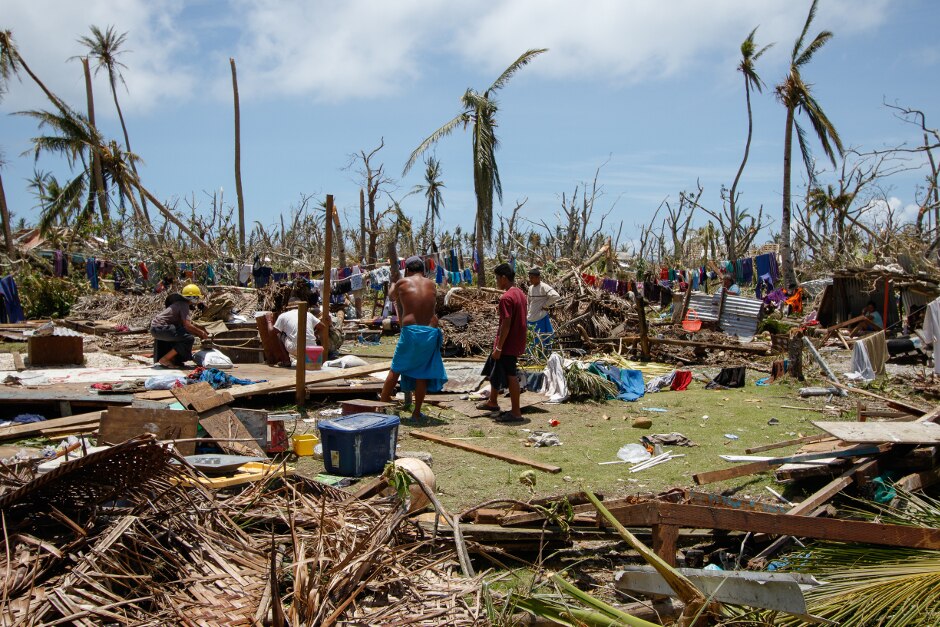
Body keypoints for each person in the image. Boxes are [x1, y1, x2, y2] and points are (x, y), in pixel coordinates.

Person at [380, 256, 448, 420]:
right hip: (430, 330)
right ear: (423, 271)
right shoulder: (431, 283)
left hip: (411, 331)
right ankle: (416, 413)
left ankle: (380, 404)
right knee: (421, 372)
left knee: (396, 368)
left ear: (408, 270)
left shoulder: (402, 282)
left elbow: (391, 297)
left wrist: (393, 283)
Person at [477, 263, 528, 422]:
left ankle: (516, 412)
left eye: (497, 278)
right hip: (515, 340)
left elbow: (506, 324)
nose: (497, 281)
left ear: (504, 278)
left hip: (507, 343)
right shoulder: (520, 294)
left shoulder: (506, 298)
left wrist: (499, 346)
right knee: (494, 367)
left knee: (510, 375)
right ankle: (492, 402)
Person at [149, 283, 209, 368]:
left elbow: (185, 325)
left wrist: (199, 331)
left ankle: (174, 359)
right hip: (161, 329)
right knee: (188, 339)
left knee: (182, 334)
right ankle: (165, 359)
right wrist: (201, 333)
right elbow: (187, 325)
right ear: (193, 298)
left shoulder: (179, 304)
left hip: (156, 329)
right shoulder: (184, 305)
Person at [273, 298, 324, 367]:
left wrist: (269, 322)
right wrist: (314, 334)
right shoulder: (308, 314)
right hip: (312, 348)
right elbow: (322, 326)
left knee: (279, 334)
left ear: (288, 308)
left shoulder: (283, 316)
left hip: (295, 348)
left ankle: (286, 360)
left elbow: (274, 332)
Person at [526, 267, 560, 350]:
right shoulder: (530, 288)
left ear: (538, 278)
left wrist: (545, 305)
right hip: (530, 317)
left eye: (532, 278)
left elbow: (556, 296)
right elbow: (529, 301)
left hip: (540, 317)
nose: (530, 280)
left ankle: (543, 356)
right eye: (529, 277)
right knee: (531, 339)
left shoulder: (544, 287)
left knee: (542, 338)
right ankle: (533, 356)